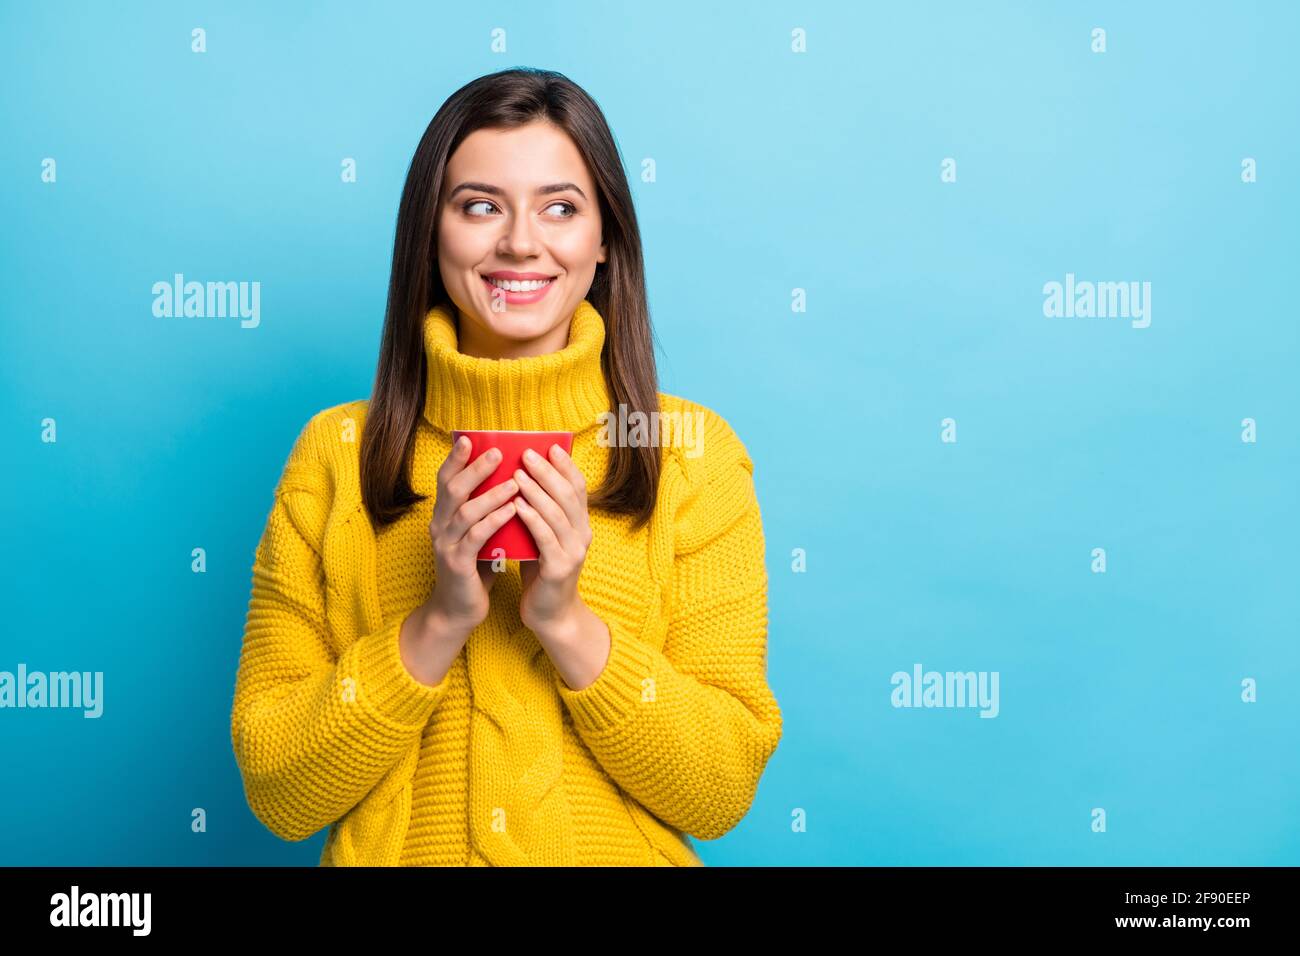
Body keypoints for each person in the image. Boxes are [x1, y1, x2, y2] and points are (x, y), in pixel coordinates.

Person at [230, 67, 782, 866]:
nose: (520, 241)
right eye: (480, 206)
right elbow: (278, 792)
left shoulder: (692, 454)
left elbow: (719, 789)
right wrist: (440, 619)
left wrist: (563, 621)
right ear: (431, 234)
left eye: (561, 207)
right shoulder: (336, 454)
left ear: (604, 244)